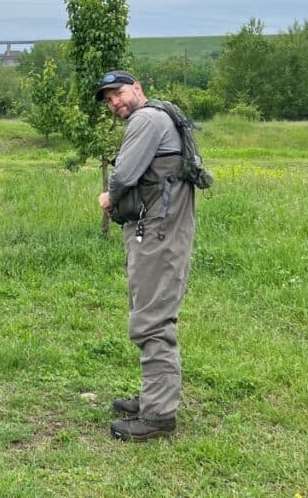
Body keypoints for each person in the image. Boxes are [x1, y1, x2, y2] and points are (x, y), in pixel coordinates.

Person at [95, 70, 195, 442]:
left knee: (152, 321)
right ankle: (154, 396)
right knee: (150, 313)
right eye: (108, 100)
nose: (114, 103)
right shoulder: (159, 116)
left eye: (118, 93)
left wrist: (109, 197)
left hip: (158, 234)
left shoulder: (146, 119)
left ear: (137, 88)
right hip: (161, 231)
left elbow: (123, 176)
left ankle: (158, 416)